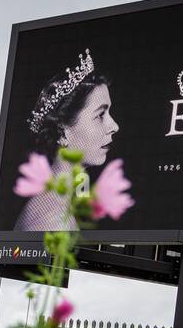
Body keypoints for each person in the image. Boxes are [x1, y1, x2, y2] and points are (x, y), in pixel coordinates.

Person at [13, 49, 120, 232]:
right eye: (100, 115)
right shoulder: (51, 220)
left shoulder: (71, 196)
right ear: (62, 131)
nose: (115, 126)